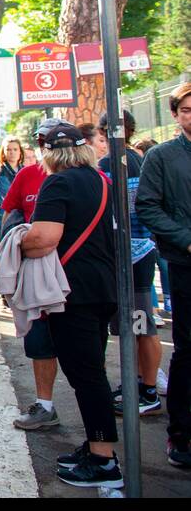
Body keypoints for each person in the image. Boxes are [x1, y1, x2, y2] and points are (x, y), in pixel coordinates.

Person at [21, 121, 123, 489]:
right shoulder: (100, 180)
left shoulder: (59, 183)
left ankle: (103, 458)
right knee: (91, 371)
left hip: (72, 293)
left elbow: (44, 238)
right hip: (101, 288)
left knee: (87, 376)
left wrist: (18, 244)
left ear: (48, 152)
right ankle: (97, 447)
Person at [135, 81, 191, 469]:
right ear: (175, 114)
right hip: (185, 263)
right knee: (187, 352)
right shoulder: (162, 157)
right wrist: (186, 240)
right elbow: (148, 207)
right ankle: (182, 435)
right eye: (186, 109)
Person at [95, 110, 163, 415]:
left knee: (138, 325)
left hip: (128, 255)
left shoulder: (109, 165)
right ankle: (140, 384)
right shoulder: (140, 158)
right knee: (139, 324)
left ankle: (148, 390)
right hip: (143, 250)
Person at [7, 124, 60, 431]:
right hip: (36, 277)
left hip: (78, 278)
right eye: (43, 144)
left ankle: (94, 418)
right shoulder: (27, 175)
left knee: (84, 355)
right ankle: (45, 405)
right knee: (40, 343)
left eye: (51, 144)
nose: (47, 150)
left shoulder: (96, 179)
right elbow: (10, 217)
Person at [134, 137, 172, 319]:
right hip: (153, 241)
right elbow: (147, 206)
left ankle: (155, 310)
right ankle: (154, 310)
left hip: (147, 243)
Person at [0, 137, 25, 242]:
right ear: (3, 152)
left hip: (22, 216)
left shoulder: (24, 169)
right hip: (3, 217)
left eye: (15, 149)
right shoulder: (0, 171)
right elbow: (9, 196)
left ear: (20, 152)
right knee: (6, 253)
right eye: (8, 149)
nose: (12, 152)